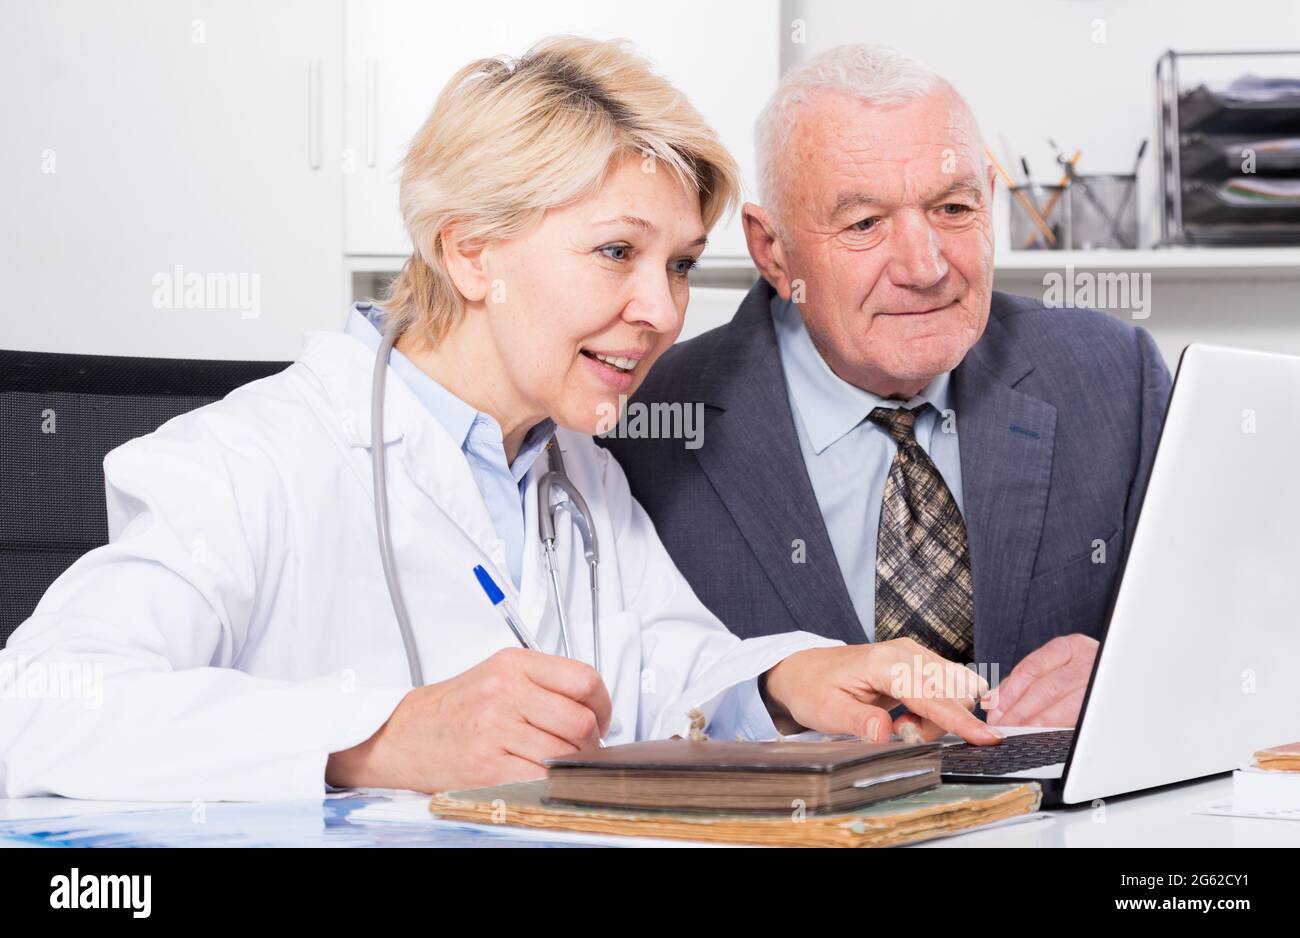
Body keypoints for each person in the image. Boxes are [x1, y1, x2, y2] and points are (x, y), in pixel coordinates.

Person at [0, 37, 999, 803]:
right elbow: (35, 704)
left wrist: (793, 677)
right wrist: (373, 737)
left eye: (681, 263)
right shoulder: (250, 459)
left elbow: (664, 666)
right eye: (617, 251)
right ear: (470, 253)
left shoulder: (576, 465)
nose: (661, 308)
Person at [602, 44, 1173, 729]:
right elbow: (618, 702)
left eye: (954, 209)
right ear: (773, 250)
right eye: (865, 223)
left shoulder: (1112, 376)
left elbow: (1237, 613)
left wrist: (1136, 668)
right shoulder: (639, 420)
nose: (925, 266)